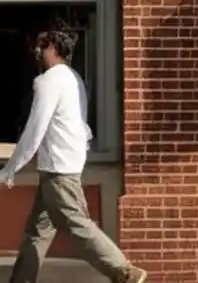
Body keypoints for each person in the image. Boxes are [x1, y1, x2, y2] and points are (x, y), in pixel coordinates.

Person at [1, 20, 147, 283]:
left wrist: (10, 168)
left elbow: (35, 130)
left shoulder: (48, 81)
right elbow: (80, 125)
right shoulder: (73, 78)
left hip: (58, 169)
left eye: (41, 46)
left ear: (54, 49)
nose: (36, 51)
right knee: (38, 232)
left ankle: (124, 271)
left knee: (77, 225)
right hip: (63, 165)